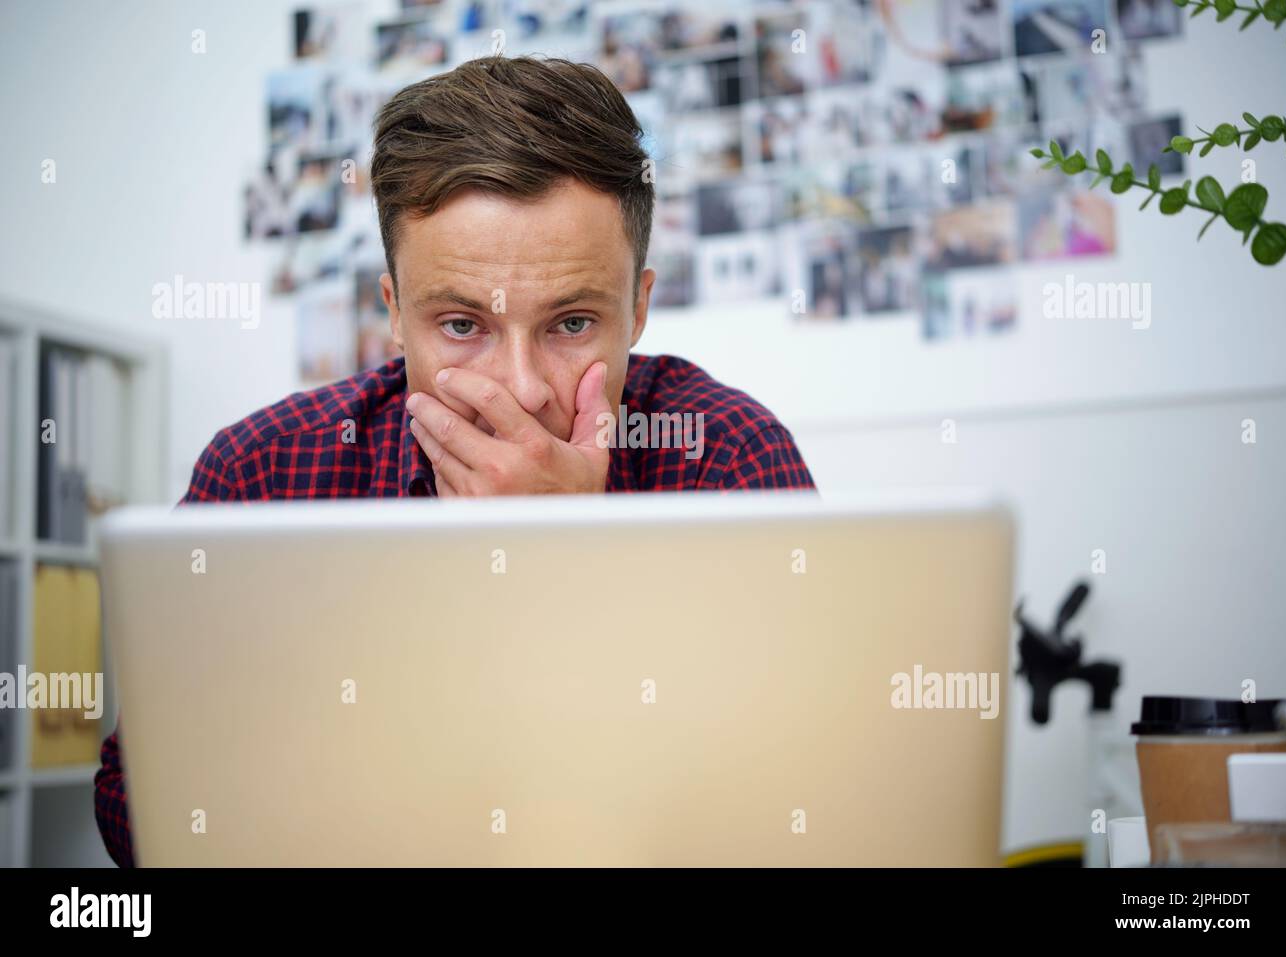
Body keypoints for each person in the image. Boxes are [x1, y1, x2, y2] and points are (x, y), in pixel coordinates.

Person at [94, 55, 815, 867]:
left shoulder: (726, 460)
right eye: (463, 325)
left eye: (572, 323)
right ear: (396, 313)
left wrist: (574, 571)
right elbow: (139, 802)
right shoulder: (260, 473)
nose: (524, 388)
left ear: (639, 308)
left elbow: (801, 806)